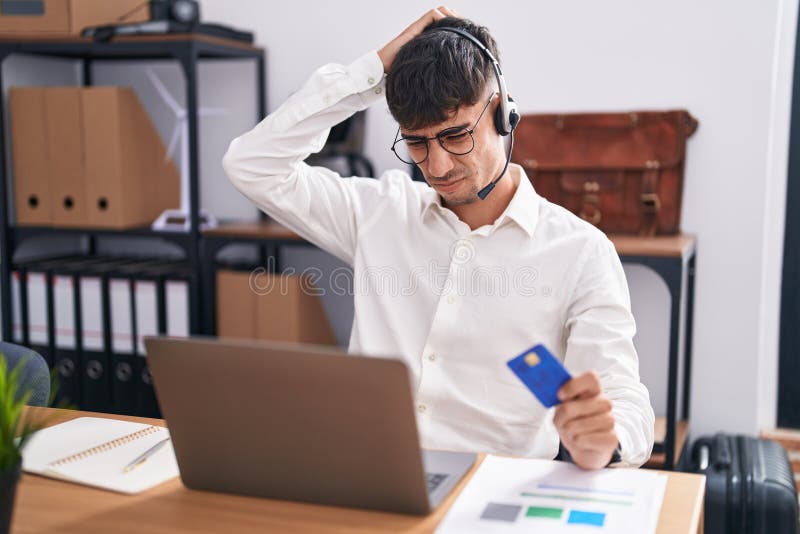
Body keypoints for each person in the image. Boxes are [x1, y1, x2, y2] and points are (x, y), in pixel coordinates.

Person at [223, 7, 654, 469]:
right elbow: (251, 164)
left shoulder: (580, 252)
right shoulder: (379, 213)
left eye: (455, 136)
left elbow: (625, 402)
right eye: (417, 143)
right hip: (371, 475)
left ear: (503, 111)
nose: (438, 166)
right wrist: (371, 73)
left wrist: (605, 441)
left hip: (493, 492)